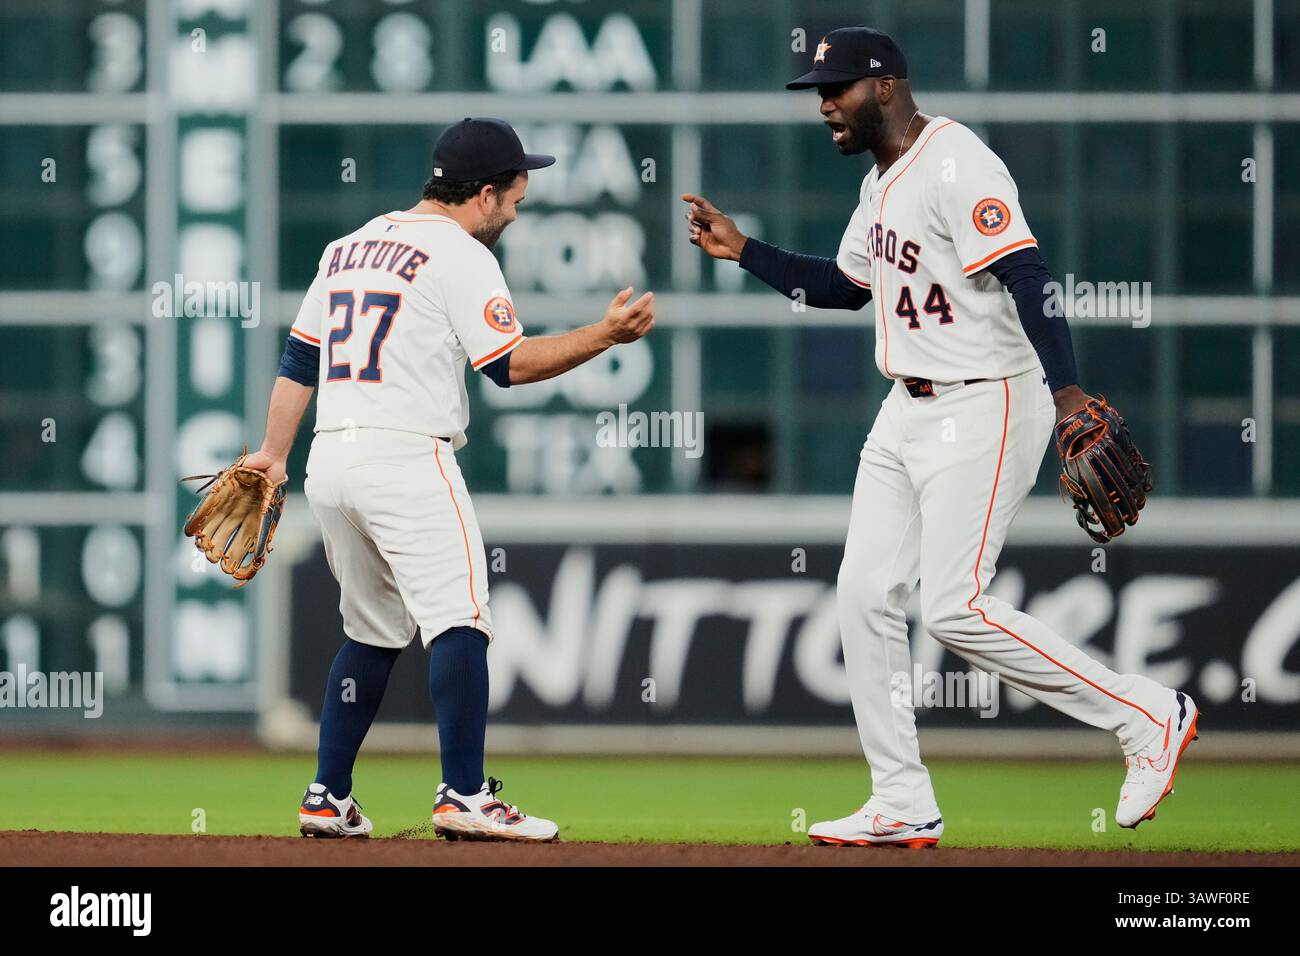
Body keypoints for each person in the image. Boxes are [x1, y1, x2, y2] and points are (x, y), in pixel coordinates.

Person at [683, 27, 1196, 847]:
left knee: (952, 607)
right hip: (906, 410)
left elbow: (1027, 275)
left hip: (986, 400)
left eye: (838, 89)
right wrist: (744, 249)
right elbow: (846, 288)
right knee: (862, 594)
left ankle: (1144, 715)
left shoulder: (959, 165)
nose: (824, 105)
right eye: (819, 91)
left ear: (886, 86)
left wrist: (1067, 395)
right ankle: (900, 798)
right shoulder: (880, 185)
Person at [244, 117, 654, 841]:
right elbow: (509, 365)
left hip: (330, 461)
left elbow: (299, 363)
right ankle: (464, 794)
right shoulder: (459, 254)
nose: (517, 212)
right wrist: (606, 335)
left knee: (371, 632)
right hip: (406, 455)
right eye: (516, 197)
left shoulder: (348, 248)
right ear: (486, 193)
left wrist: (272, 455)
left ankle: (327, 795)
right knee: (461, 619)